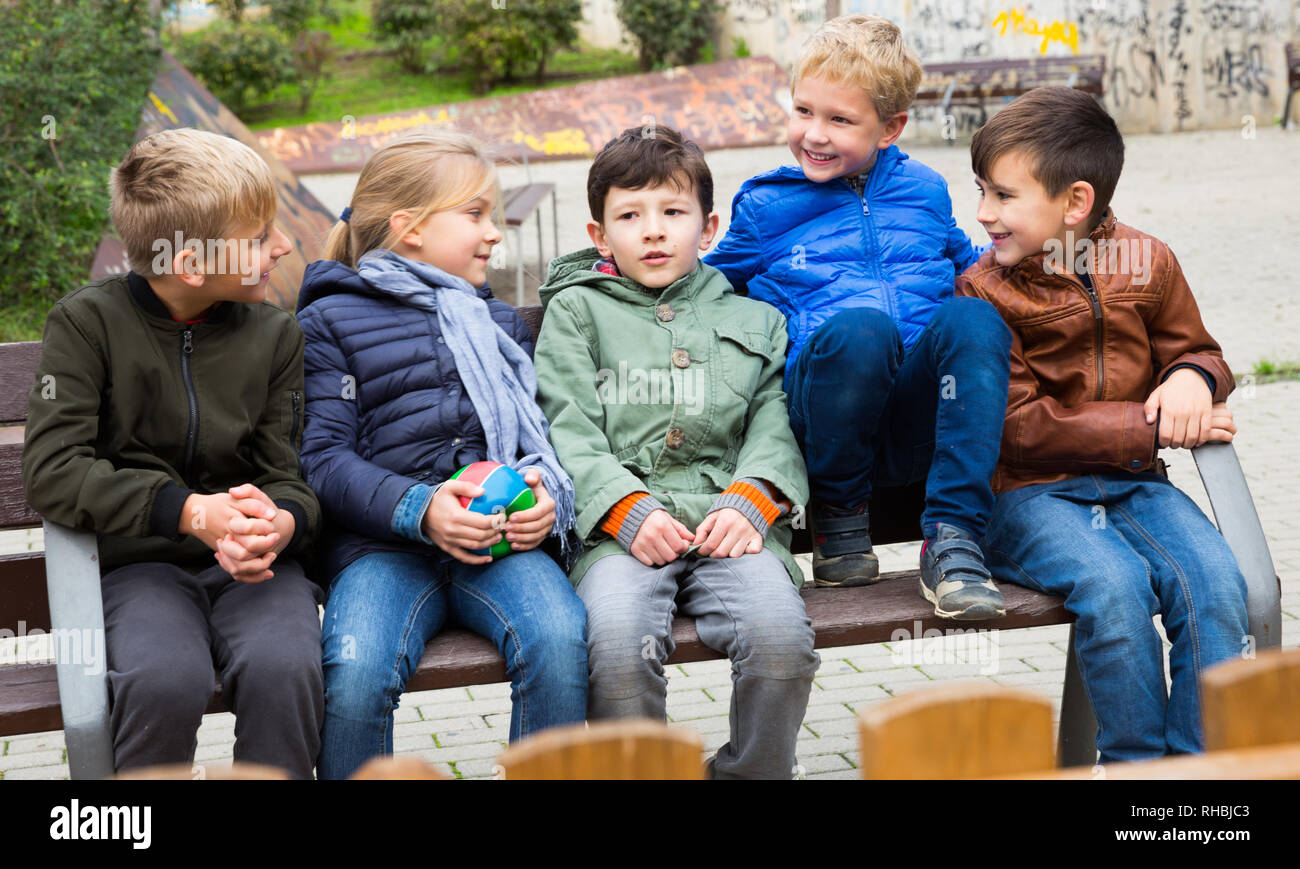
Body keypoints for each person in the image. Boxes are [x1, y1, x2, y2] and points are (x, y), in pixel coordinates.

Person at [958, 86, 1249, 762]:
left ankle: (1195, 779)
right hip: (1028, 497)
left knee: (1218, 585)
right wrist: (1146, 429)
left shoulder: (1148, 261)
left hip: (1136, 487)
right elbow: (1019, 426)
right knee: (1114, 589)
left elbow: (1199, 349)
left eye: (1002, 195)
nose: (982, 214)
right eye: (981, 191)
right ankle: (1137, 778)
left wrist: (1192, 378)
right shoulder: (984, 290)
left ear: (1076, 203)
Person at [22, 128, 324, 778]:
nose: (284, 245)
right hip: (138, 571)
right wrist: (189, 512)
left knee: (286, 667)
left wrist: (281, 523)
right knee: (163, 679)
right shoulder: (85, 326)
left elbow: (290, 476)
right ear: (190, 265)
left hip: (255, 573)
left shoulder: (275, 335)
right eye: (258, 236)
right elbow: (52, 471)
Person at [296, 129, 588, 780]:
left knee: (561, 640)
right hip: (382, 550)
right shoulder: (331, 322)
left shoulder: (498, 323)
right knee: (354, 669)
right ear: (410, 228)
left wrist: (542, 497)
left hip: (498, 546)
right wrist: (422, 508)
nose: (495, 234)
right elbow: (322, 459)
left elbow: (534, 438)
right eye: (476, 215)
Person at [534, 124, 819, 780]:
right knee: (614, 649)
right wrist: (624, 509)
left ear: (709, 227)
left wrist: (756, 496)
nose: (653, 231)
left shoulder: (756, 318)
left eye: (672, 212)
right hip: (620, 535)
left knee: (782, 644)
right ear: (600, 235)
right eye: (630, 216)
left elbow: (773, 422)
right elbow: (567, 427)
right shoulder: (577, 313)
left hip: (732, 524)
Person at [705, 14, 1011, 620]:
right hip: (829, 426)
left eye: (840, 120)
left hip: (922, 419)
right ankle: (839, 516)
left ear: (891, 127)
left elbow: (971, 266)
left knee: (974, 321)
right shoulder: (767, 207)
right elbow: (704, 286)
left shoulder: (923, 189)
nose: (814, 134)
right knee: (862, 329)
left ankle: (952, 537)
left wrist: (1038, 247)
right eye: (803, 111)